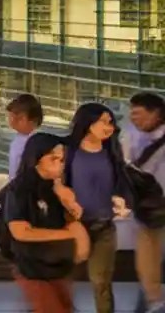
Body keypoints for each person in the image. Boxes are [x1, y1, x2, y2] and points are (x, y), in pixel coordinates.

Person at [7, 132, 90, 313]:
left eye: (62, 159)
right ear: (37, 159)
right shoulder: (21, 189)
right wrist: (69, 235)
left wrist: (69, 203)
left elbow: (71, 218)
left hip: (57, 264)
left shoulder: (55, 187)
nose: (60, 164)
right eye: (53, 159)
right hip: (33, 266)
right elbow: (20, 231)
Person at [65, 102, 133, 313]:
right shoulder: (68, 151)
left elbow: (122, 181)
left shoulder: (112, 151)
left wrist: (122, 199)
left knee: (101, 281)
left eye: (111, 122)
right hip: (73, 227)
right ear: (87, 123)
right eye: (103, 121)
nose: (109, 126)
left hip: (104, 226)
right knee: (63, 279)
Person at [128, 92, 165, 313]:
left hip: (156, 205)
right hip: (149, 209)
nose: (134, 119)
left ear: (156, 113)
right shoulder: (134, 136)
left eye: (139, 114)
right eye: (132, 114)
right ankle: (153, 299)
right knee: (147, 254)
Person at [8, 94, 45, 180]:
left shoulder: (36, 142)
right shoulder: (18, 138)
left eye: (20, 118)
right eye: (11, 116)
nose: (14, 121)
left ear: (34, 121)